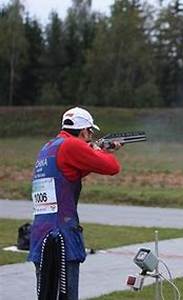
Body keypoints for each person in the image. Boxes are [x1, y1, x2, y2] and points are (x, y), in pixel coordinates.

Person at [28, 107, 122, 300]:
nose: (91, 137)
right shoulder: (72, 146)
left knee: (46, 295)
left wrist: (96, 151)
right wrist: (98, 151)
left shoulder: (48, 148)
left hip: (41, 233)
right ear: (83, 131)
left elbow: (69, 174)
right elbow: (113, 167)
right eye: (90, 132)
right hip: (60, 236)